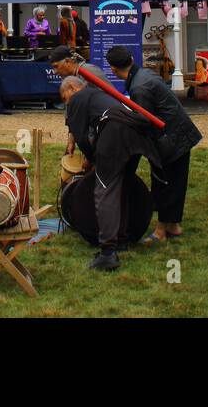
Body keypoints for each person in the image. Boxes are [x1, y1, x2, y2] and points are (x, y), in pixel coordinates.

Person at [59, 73, 161, 271]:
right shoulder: (100, 95)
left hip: (115, 133)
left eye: (65, 98)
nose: (66, 103)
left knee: (105, 190)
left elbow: (80, 134)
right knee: (122, 186)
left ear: (72, 87)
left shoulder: (79, 98)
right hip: (136, 133)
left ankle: (107, 253)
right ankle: (121, 239)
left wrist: (91, 160)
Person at [106, 46, 202, 242]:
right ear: (131, 59)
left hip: (171, 138)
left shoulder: (139, 87)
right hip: (180, 133)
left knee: (164, 182)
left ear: (113, 70)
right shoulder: (144, 74)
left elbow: (144, 120)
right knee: (176, 181)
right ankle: (173, 225)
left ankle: (160, 231)